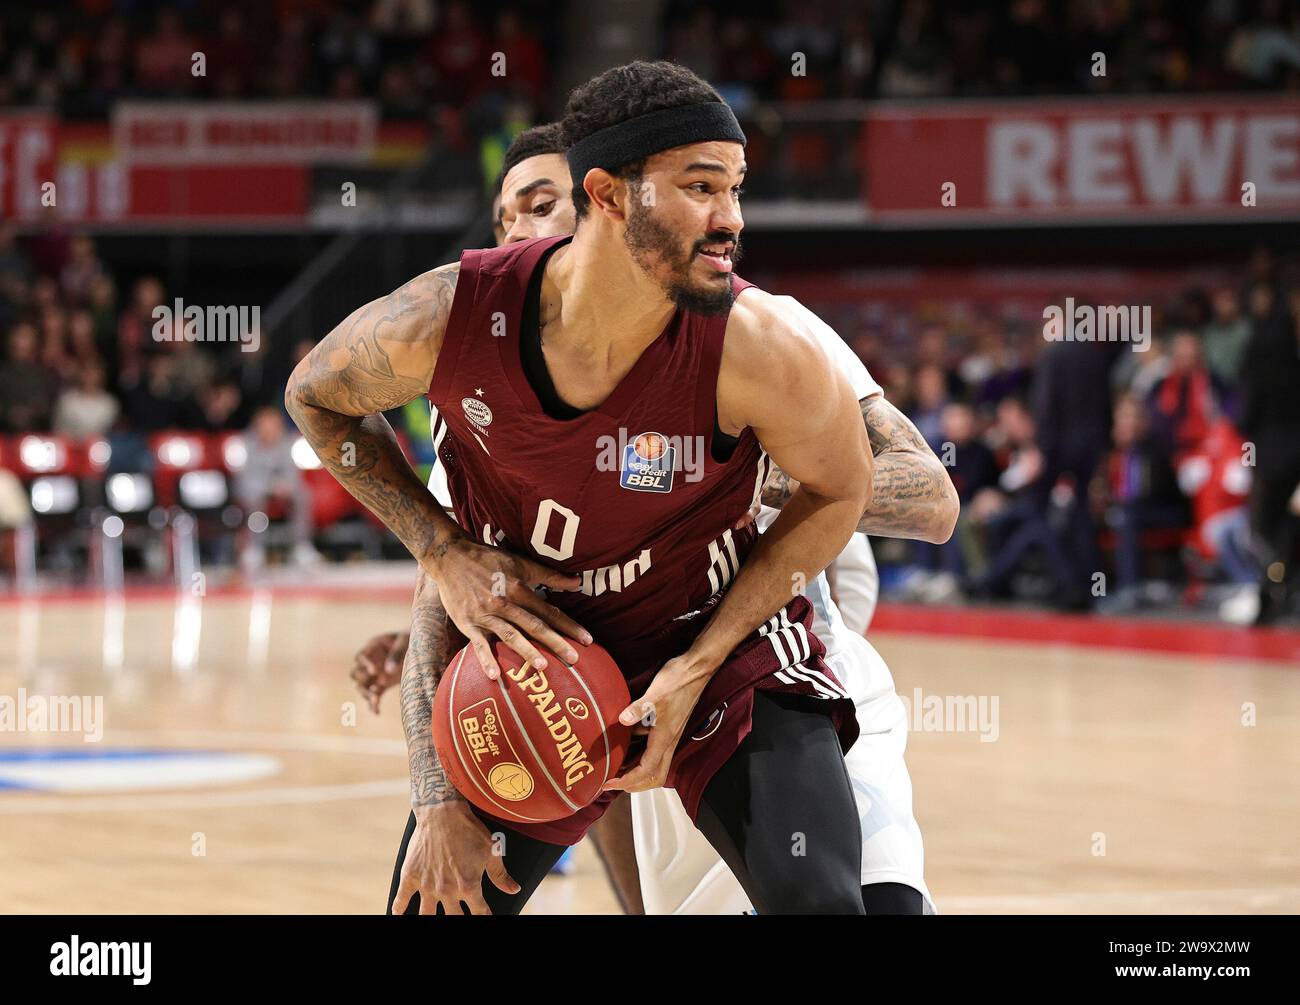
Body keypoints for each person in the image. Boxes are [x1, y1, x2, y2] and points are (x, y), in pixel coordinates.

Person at [289, 61, 951, 916]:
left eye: (735, 189)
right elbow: (316, 397)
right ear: (606, 195)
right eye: (702, 189)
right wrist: (443, 548)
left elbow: (858, 489)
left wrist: (704, 654)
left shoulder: (760, 343)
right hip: (551, 659)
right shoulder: (451, 325)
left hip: (721, 646)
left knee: (823, 899)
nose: (733, 220)